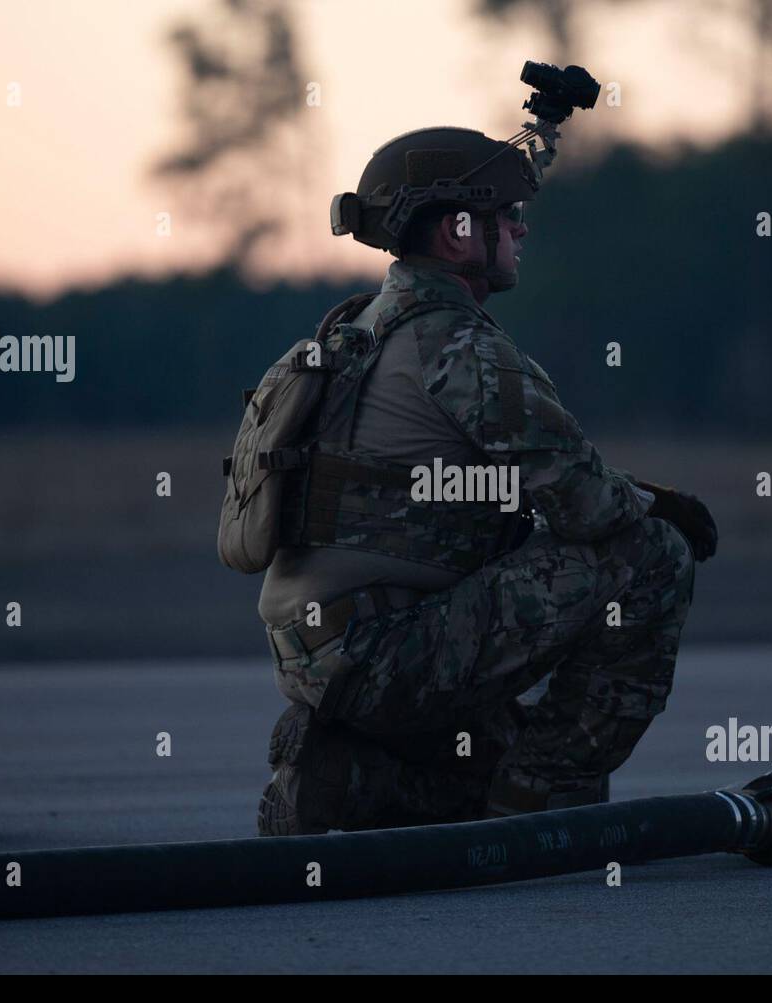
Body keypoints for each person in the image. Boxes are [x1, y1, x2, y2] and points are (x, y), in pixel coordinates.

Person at [255, 126, 717, 835]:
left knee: (490, 755)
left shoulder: (359, 329)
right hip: (387, 652)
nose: (520, 227)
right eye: (506, 215)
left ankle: (347, 780)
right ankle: (541, 810)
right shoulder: (454, 344)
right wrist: (663, 505)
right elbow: (587, 502)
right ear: (456, 233)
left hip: (332, 653)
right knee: (653, 552)